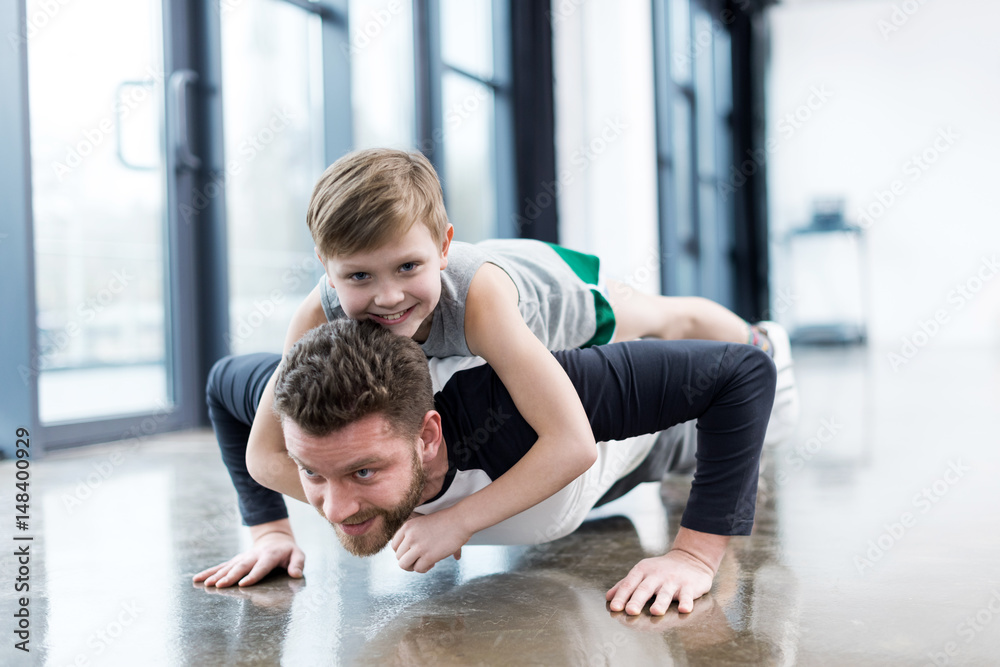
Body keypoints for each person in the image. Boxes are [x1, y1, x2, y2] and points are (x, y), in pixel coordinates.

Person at [244, 148, 797, 573]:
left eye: (408, 267)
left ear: (443, 247)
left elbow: (573, 443)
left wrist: (457, 521)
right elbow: (264, 456)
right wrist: (384, 507)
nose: (388, 297)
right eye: (360, 276)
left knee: (670, 320)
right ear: (326, 267)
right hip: (490, 297)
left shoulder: (480, 305)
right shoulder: (316, 315)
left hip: (558, 293)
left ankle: (759, 340)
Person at [195, 319, 776, 616]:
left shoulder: (509, 403)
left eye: (365, 472)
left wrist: (695, 555)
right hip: (549, 512)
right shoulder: (300, 408)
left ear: (428, 436)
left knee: (762, 412)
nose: (336, 509)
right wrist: (269, 529)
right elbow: (222, 384)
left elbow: (741, 375)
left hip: (646, 449)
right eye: (313, 474)